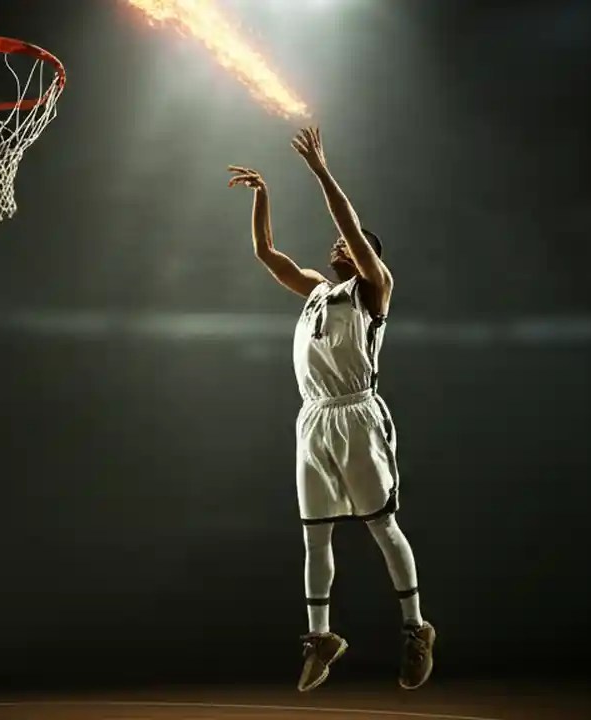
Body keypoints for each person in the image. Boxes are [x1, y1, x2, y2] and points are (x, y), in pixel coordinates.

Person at [227, 127, 435, 692]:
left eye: (353, 244)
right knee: (314, 534)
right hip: (313, 418)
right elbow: (266, 254)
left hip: (357, 413)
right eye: (340, 244)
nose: (339, 245)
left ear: (368, 255)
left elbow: (349, 226)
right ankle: (321, 636)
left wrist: (321, 171)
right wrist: (263, 195)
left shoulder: (374, 289)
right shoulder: (320, 288)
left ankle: (416, 629)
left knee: (380, 525)